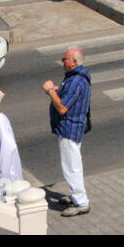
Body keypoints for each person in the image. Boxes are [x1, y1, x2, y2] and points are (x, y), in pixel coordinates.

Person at [42, 47, 92, 218]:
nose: (62, 62)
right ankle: (76, 196)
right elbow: (70, 94)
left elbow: (62, 108)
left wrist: (50, 91)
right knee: (73, 164)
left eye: (65, 59)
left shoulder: (76, 81)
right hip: (70, 128)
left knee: (71, 167)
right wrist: (59, 89)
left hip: (69, 129)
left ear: (74, 62)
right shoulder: (78, 75)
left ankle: (81, 203)